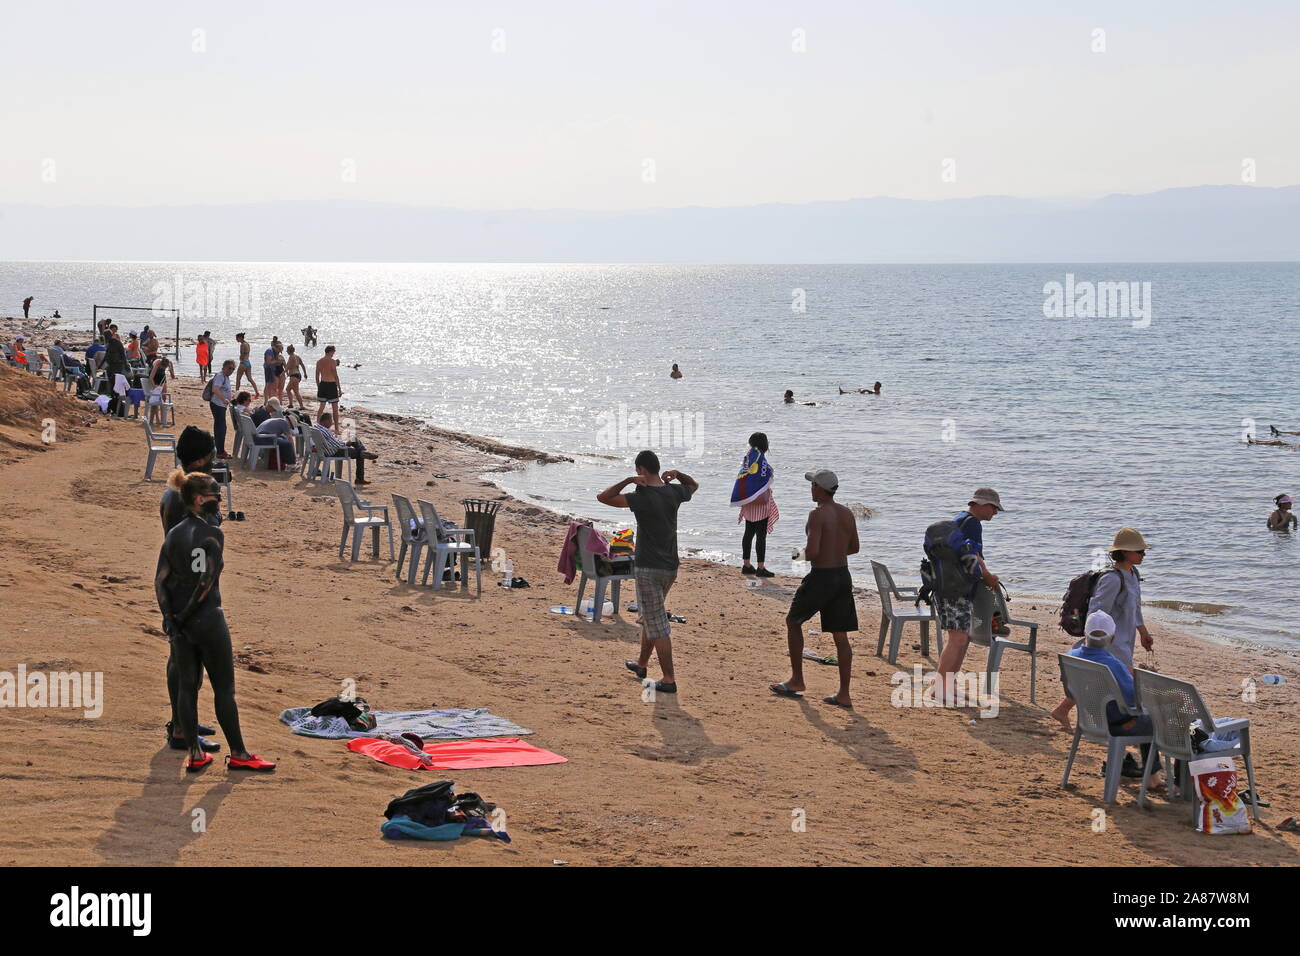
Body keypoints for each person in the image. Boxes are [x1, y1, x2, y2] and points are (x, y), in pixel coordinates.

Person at [154, 470, 275, 773]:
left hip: (180, 625)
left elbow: (160, 581)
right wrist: (185, 615)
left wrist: (171, 617)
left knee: (186, 686)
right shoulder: (212, 534)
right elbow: (207, 582)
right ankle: (239, 753)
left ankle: (195, 752)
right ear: (198, 500)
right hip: (207, 619)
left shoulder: (174, 534)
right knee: (224, 689)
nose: (220, 501)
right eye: (215, 496)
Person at [596, 451, 697, 694]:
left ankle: (669, 679)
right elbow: (693, 485)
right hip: (670, 566)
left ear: (641, 470)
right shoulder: (674, 492)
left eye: (637, 471)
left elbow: (603, 497)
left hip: (648, 567)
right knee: (651, 617)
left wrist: (628, 481)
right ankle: (641, 664)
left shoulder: (640, 496)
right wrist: (678, 474)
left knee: (657, 623)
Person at [769, 469, 860, 707]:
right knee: (841, 636)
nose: (811, 489)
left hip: (822, 577)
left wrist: (795, 555)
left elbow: (813, 553)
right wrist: (834, 549)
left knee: (793, 622)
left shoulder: (816, 515)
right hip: (843, 575)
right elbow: (854, 548)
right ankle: (844, 694)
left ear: (819, 488)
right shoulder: (847, 513)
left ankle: (797, 680)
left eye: (813, 486)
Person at [159, 428, 222, 754]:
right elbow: (209, 535)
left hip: (180, 585)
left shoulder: (175, 492)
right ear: (201, 459)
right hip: (191, 588)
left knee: (183, 660)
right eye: (211, 455)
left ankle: (184, 719)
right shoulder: (187, 499)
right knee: (186, 664)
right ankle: (181, 728)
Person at [1066, 610, 1167, 791]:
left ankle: (1152, 776)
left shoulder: (1072, 656)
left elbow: (1069, 690)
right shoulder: (1112, 664)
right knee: (1157, 718)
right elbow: (1133, 699)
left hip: (1090, 721)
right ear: (1112, 639)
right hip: (1117, 725)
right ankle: (1163, 779)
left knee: (1146, 717)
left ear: (1085, 634)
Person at [933, 488, 1006, 698]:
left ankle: (947, 686)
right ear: (981, 504)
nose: (995, 513)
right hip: (955, 588)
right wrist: (989, 576)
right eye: (993, 508)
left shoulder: (959, 519)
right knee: (957, 639)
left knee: (960, 638)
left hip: (947, 585)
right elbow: (973, 554)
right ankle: (939, 688)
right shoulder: (972, 523)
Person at [732, 432, 779, 577]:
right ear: (765, 445)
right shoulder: (760, 459)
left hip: (748, 499)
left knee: (748, 533)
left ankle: (746, 565)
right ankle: (760, 567)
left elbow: (747, 477)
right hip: (760, 503)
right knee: (761, 536)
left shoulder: (748, 457)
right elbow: (764, 476)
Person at [312, 412, 378, 485]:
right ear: (326, 421)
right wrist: (346, 443)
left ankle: (363, 452)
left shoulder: (316, 427)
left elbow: (333, 441)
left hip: (325, 450)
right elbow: (337, 445)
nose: (332, 423)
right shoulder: (325, 431)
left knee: (354, 440)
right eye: (331, 421)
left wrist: (346, 441)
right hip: (334, 451)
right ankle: (360, 477)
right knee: (359, 453)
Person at [254, 400, 297, 468]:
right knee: (287, 444)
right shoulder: (285, 423)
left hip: (257, 437)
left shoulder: (278, 420)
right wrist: (294, 454)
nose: (289, 428)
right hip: (262, 438)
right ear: (289, 423)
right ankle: (292, 464)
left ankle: (287, 461)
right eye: (290, 427)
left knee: (283, 440)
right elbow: (290, 438)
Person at [209, 359, 236, 459]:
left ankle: (219, 450)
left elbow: (224, 390)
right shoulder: (221, 376)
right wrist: (223, 399)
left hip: (221, 405)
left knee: (220, 428)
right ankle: (220, 451)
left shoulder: (225, 377)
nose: (231, 370)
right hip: (218, 404)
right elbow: (215, 389)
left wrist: (231, 397)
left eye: (233, 369)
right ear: (224, 367)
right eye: (229, 368)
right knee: (221, 429)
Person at [315, 345, 342, 430]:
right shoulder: (332, 361)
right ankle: (336, 429)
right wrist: (339, 388)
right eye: (333, 351)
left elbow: (317, 375)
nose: (334, 353)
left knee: (321, 407)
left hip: (323, 384)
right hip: (331, 385)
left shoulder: (319, 361)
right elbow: (335, 376)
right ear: (330, 351)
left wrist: (318, 385)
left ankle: (318, 426)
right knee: (335, 408)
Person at [147, 355, 174, 426]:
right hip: (155, 377)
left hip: (162, 377)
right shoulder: (157, 363)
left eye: (164, 368)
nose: (163, 368)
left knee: (164, 398)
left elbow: (173, 377)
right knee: (157, 398)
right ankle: (157, 419)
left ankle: (163, 419)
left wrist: (171, 370)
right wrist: (155, 387)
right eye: (162, 367)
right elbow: (151, 378)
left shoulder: (170, 363)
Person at [234, 332, 259, 397]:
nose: (236, 339)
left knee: (238, 379)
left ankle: (236, 394)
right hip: (248, 362)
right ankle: (257, 392)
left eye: (237, 338)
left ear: (240, 338)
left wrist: (240, 358)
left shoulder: (242, 345)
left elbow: (242, 354)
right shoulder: (247, 344)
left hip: (243, 363)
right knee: (250, 378)